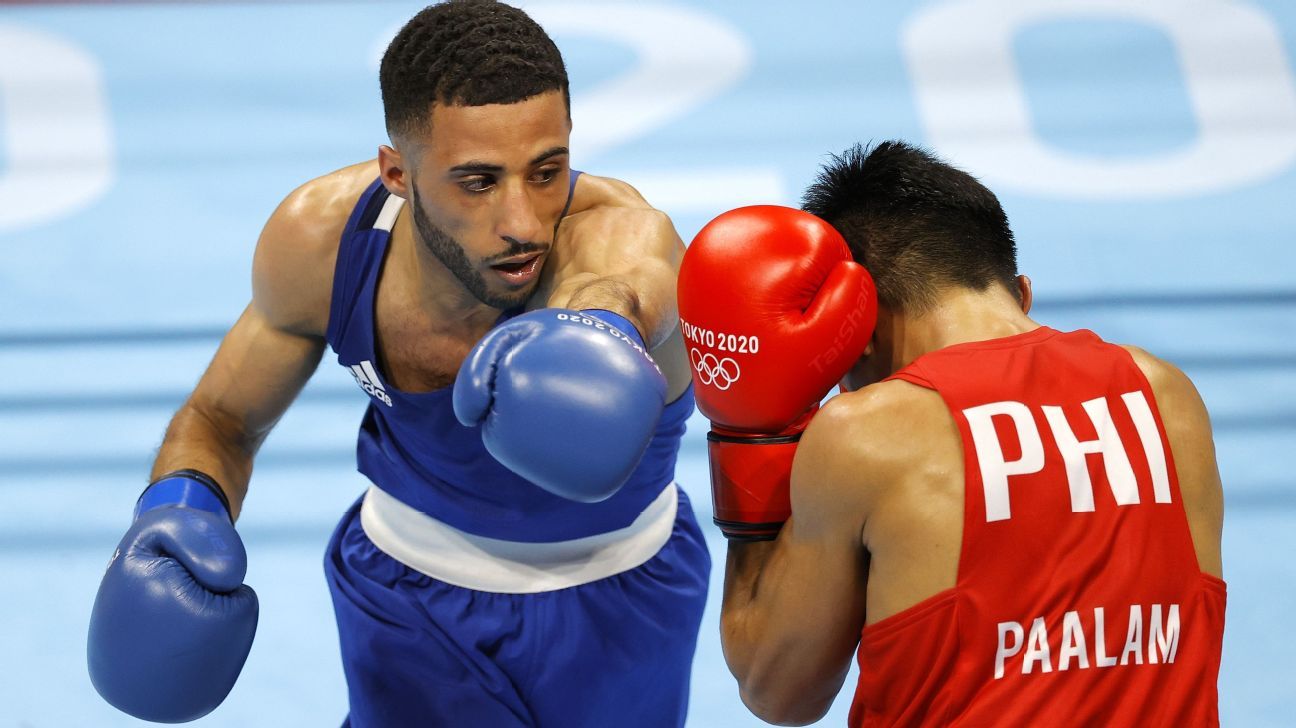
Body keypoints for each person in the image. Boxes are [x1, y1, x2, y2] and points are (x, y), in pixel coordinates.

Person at [86, 2, 710, 725]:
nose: (524, 222)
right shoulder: (323, 242)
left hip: (616, 601)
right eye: (477, 181)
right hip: (402, 598)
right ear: (397, 173)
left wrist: (596, 334)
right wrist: (180, 505)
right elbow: (221, 419)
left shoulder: (621, 232)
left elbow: (629, 285)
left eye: (547, 171)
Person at [677, 141, 1226, 726]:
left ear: (854, 326)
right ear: (1021, 294)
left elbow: (776, 689)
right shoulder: (1167, 394)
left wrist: (747, 433)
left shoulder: (866, 435)